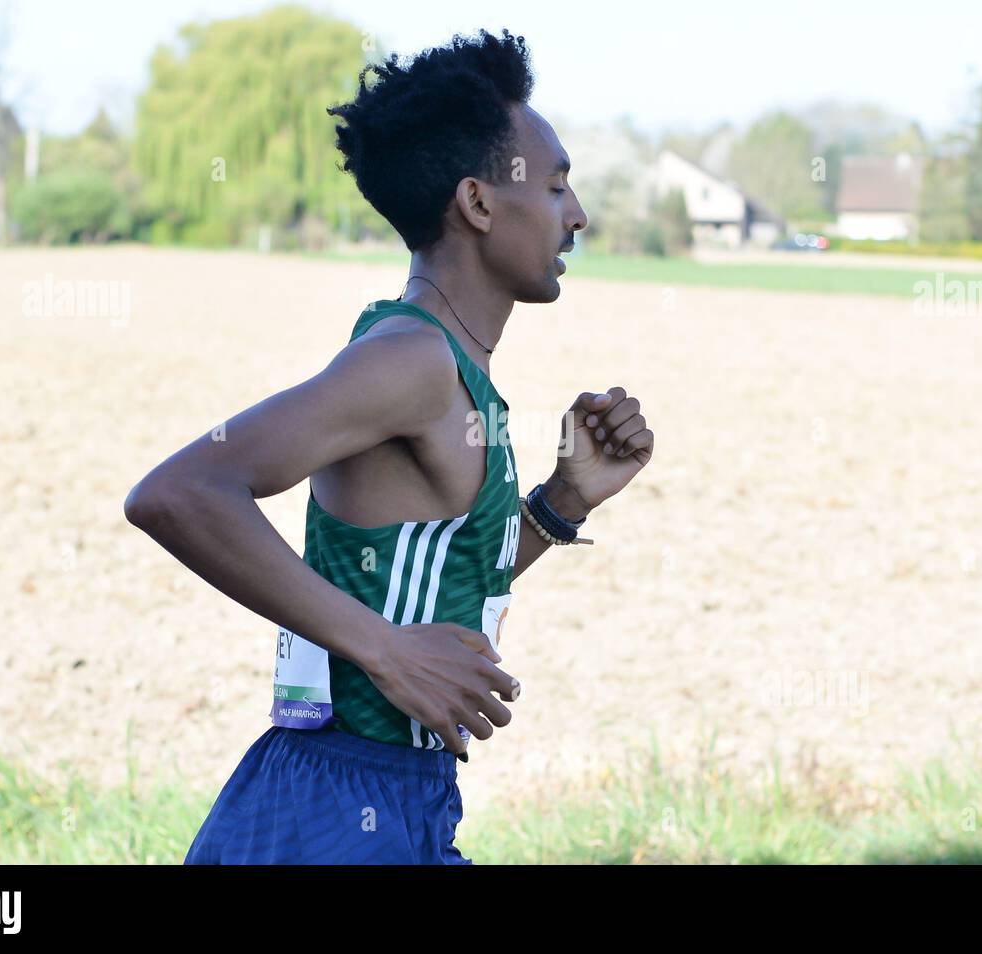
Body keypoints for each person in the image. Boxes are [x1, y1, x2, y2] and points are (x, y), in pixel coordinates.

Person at [124, 28, 654, 864]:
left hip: (398, 799)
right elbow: (179, 492)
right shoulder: (412, 362)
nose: (577, 214)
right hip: (333, 806)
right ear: (479, 204)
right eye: (555, 188)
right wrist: (382, 649)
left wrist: (564, 502)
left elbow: (430, 578)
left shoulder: (450, 368)